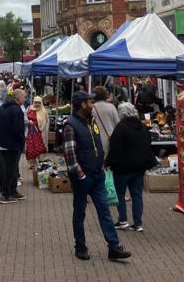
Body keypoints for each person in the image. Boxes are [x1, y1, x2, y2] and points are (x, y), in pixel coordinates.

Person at [64, 92, 131, 262]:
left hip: (97, 174)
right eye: (90, 102)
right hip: (83, 177)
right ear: (82, 104)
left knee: (104, 211)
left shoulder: (91, 120)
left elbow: (97, 143)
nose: (93, 104)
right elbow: (69, 154)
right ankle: (80, 246)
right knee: (80, 213)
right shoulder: (70, 125)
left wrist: (102, 162)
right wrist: (80, 174)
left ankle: (114, 246)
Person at [106, 102, 157, 232]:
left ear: (121, 114)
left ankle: (123, 220)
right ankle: (138, 223)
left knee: (120, 194)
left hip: (122, 168)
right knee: (137, 195)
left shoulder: (120, 128)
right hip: (139, 168)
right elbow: (148, 145)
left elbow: (115, 148)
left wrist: (108, 162)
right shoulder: (142, 127)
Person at [0, 88, 26, 204]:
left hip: (1, 142)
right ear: (18, 98)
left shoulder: (3, 107)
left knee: (10, 169)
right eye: (24, 97)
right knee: (11, 170)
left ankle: (13, 191)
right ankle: (6, 194)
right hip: (12, 144)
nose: (25, 99)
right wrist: (22, 143)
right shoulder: (17, 110)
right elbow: (18, 129)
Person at [91, 86, 120, 160]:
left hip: (96, 141)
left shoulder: (91, 108)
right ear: (105, 95)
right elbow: (118, 124)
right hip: (111, 140)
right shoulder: (111, 107)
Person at [25, 96, 48, 166]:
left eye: (39, 103)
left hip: (39, 132)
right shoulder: (29, 108)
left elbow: (46, 122)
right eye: (35, 102)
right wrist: (28, 122)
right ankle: (32, 163)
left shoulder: (44, 111)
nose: (37, 104)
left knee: (39, 147)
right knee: (30, 147)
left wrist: (41, 129)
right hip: (30, 132)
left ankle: (41, 161)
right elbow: (25, 117)